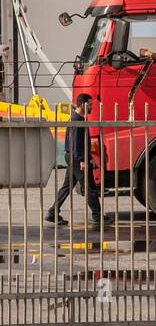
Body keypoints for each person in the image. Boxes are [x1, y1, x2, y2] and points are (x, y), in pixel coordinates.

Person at [44, 94, 102, 228]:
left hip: (73, 157)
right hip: (77, 158)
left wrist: (89, 158)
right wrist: (82, 160)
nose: (92, 106)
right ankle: (98, 216)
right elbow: (76, 143)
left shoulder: (76, 118)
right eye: (90, 104)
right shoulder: (77, 120)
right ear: (83, 104)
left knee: (67, 186)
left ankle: (52, 213)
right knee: (89, 187)